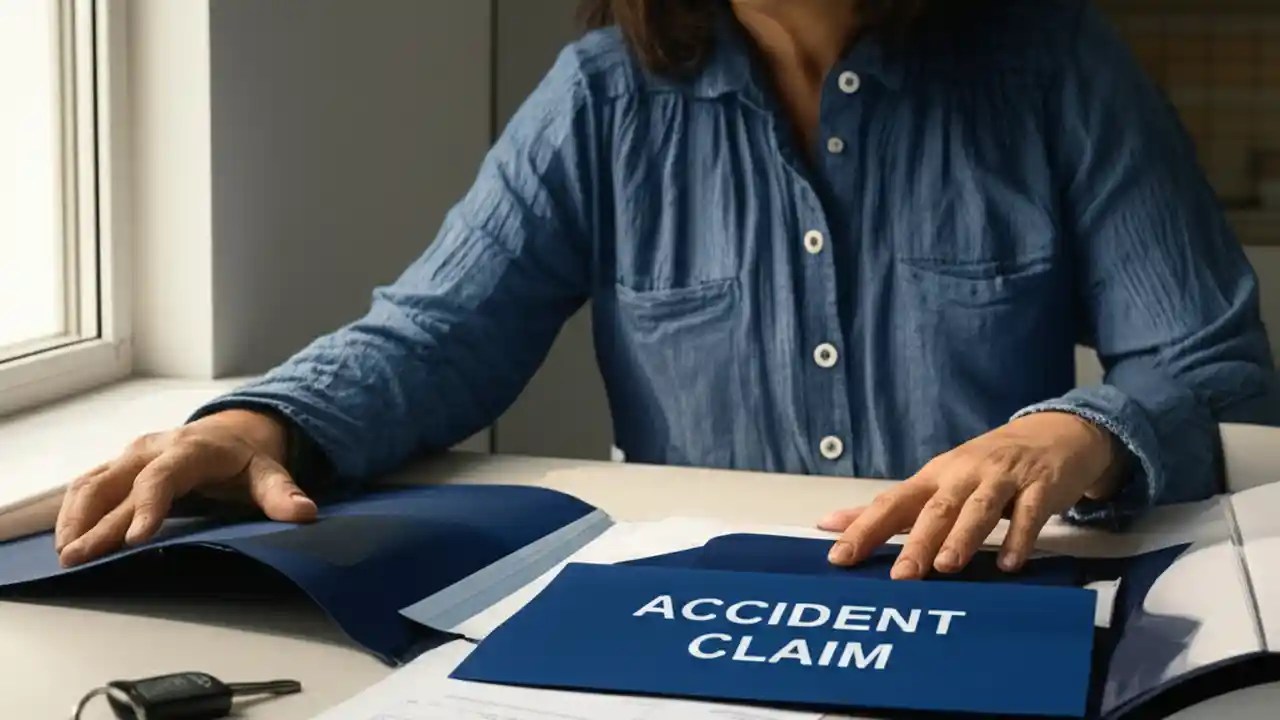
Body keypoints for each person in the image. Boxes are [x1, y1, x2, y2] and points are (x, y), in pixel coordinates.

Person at [55, 0, 1278, 580]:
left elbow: (1214, 371)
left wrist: (1072, 433)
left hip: (986, 595)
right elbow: (437, 336)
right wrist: (260, 422)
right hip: (697, 610)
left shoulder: (1058, 66)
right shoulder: (599, 97)